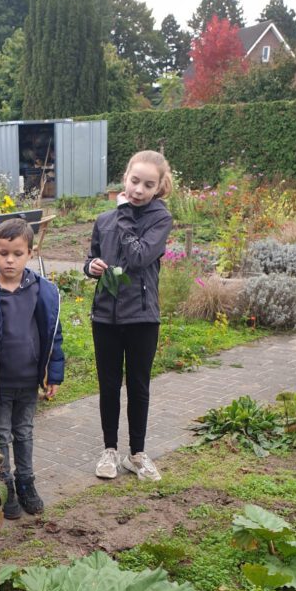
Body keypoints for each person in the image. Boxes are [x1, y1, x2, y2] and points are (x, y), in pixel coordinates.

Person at [84, 149, 174, 482]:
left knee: (138, 386)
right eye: (135, 181)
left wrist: (123, 213)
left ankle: (136, 454)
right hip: (106, 317)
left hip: (141, 317)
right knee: (108, 386)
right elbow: (92, 257)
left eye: (148, 185)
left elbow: (137, 257)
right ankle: (109, 450)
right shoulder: (104, 220)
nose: (138, 190)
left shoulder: (160, 219)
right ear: (125, 177)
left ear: (158, 187)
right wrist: (91, 267)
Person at [0, 217, 64, 519]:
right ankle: (3, 486)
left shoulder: (41, 290)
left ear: (30, 254)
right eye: (3, 253)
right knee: (0, 434)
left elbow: (53, 334)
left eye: (17, 254)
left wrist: (53, 374)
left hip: (29, 380)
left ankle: (26, 482)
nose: (10, 260)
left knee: (24, 432)